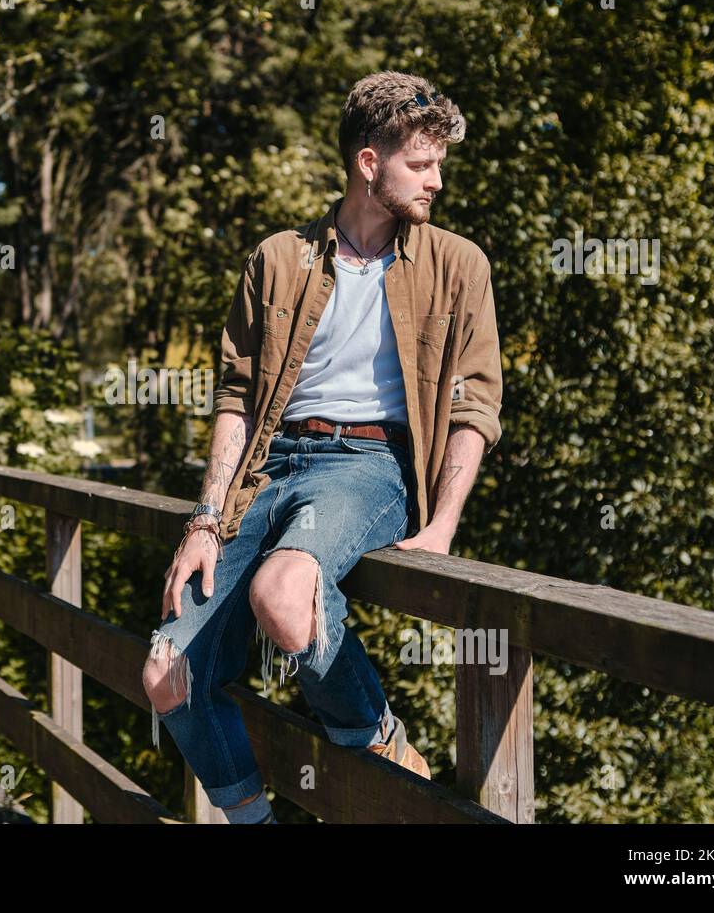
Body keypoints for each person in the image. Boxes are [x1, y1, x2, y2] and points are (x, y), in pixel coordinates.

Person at [141, 71, 504, 823]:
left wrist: (441, 528)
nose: (437, 180)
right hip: (266, 474)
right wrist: (205, 519)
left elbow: (475, 403)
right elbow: (236, 398)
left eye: (440, 164)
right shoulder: (278, 259)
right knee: (165, 676)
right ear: (369, 162)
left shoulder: (457, 264)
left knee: (284, 596)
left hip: (369, 469)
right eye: (422, 164)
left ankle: (377, 735)